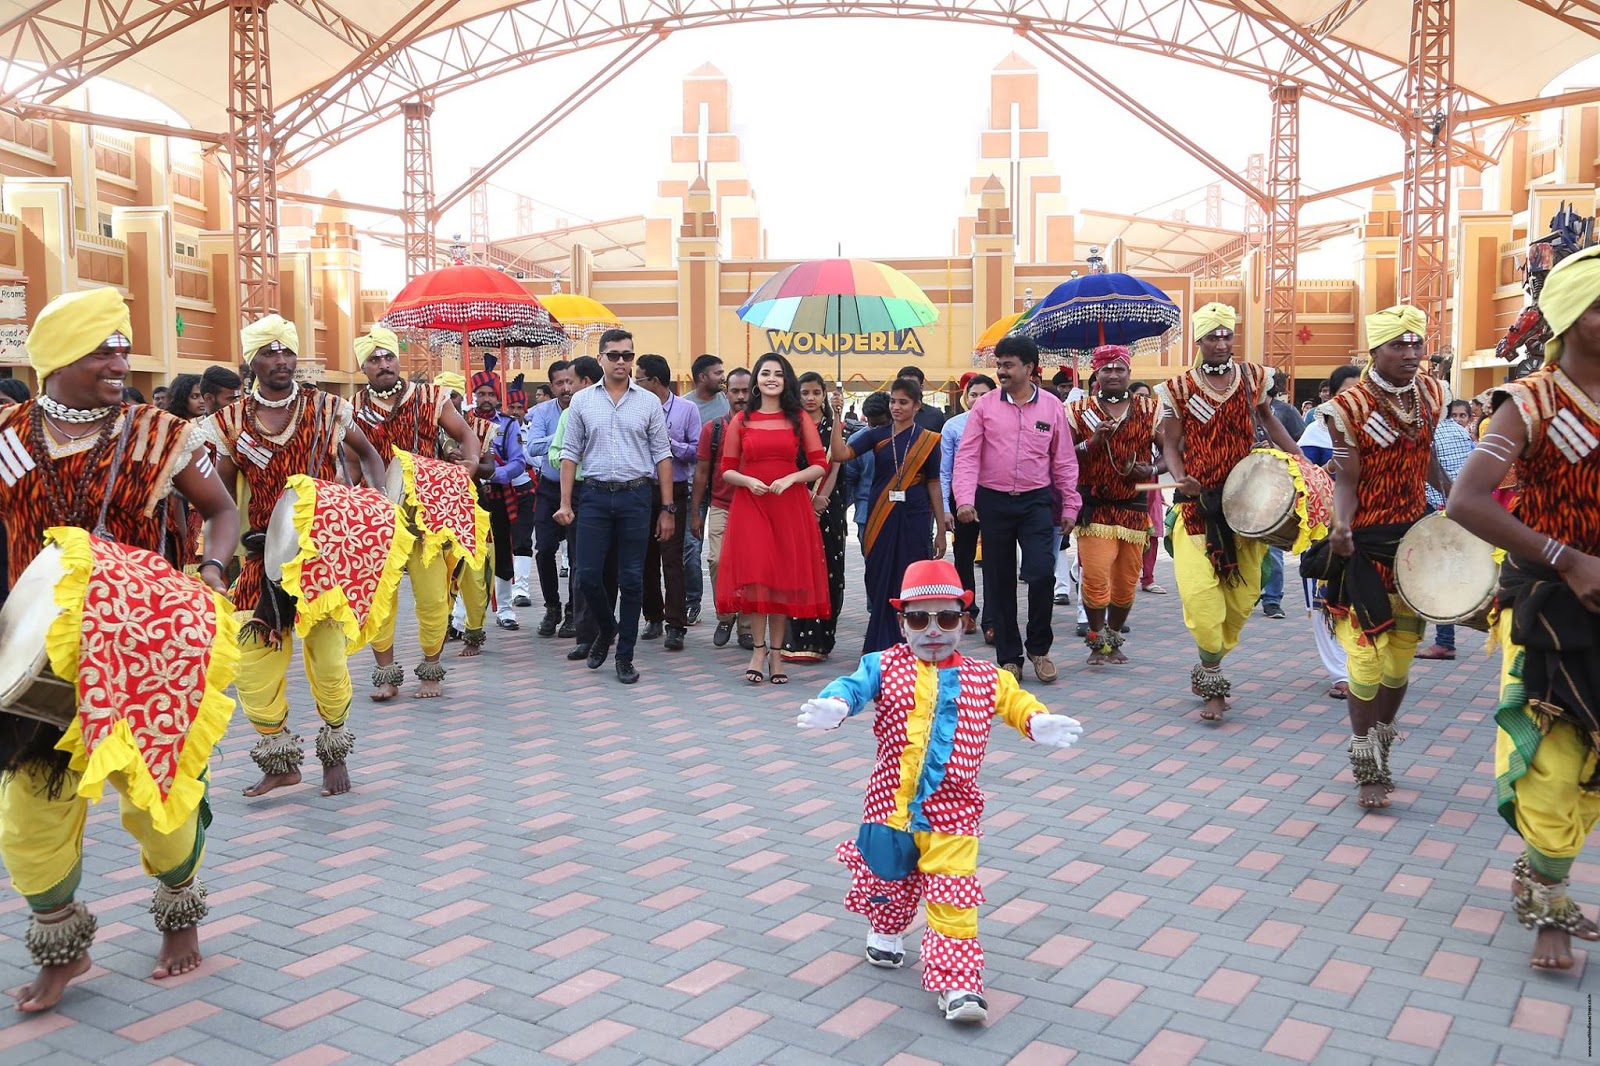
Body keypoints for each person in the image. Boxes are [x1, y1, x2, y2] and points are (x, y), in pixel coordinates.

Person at [0, 287, 240, 1011]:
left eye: (123, 346)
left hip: (139, 641)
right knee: (29, 814)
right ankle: (61, 947)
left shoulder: (158, 433)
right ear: (54, 360)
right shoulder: (10, 438)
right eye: (101, 348)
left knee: (158, 802)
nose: (119, 359)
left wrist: (211, 574)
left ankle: (177, 916)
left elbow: (222, 510)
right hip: (38, 647)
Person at [798, 559, 1083, 1024]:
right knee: (887, 884)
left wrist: (1036, 721)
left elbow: (1016, 701)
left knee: (952, 895)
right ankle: (887, 931)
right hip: (888, 809)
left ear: (963, 618)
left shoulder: (986, 677)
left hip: (953, 814)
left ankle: (959, 985)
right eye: (918, 619)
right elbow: (853, 685)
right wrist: (835, 704)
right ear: (902, 622)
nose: (933, 630)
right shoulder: (883, 664)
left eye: (946, 618)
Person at [1447, 242, 1600, 972]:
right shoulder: (1528, 403)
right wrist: (1567, 560)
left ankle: (1549, 870)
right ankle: (1551, 899)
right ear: (1570, 318)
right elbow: (1466, 500)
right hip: (1548, 604)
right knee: (1551, 762)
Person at [194, 314, 386, 799]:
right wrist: (215, 557)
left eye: (286, 352)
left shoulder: (329, 408)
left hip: (323, 555)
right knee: (252, 665)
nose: (280, 361)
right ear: (251, 360)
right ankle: (280, 759)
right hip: (262, 553)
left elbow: (370, 457)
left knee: (327, 661)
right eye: (269, 353)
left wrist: (374, 506)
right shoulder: (229, 422)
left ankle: (334, 755)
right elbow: (216, 493)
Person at [1304, 305, 1449, 810]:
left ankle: (1384, 740)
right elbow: (1347, 477)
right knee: (1366, 658)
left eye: (1417, 344)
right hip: (1363, 544)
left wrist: (1451, 493)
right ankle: (1365, 762)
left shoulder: (1432, 393)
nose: (1411, 354)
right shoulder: (1349, 406)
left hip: (1413, 545)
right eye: (1398, 346)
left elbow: (1425, 452)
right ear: (1375, 351)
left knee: (1402, 658)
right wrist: (1341, 527)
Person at [1157, 302, 1302, 721]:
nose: (1221, 343)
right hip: (1196, 509)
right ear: (1199, 342)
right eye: (1212, 337)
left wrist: (1301, 460)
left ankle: (1209, 660)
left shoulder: (1254, 377)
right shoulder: (1180, 388)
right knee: (1203, 602)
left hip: (1246, 506)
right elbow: (1170, 443)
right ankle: (1212, 677)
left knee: (1241, 602)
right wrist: (1181, 476)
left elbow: (1269, 421)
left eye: (1226, 335)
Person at [350, 326, 481, 701]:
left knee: (433, 598)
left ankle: (431, 670)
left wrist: (468, 466)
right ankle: (386, 675)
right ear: (364, 368)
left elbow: (465, 433)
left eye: (388, 357)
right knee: (379, 599)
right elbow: (350, 463)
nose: (383, 364)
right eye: (374, 360)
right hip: (376, 515)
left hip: (426, 514)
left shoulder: (430, 397)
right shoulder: (354, 409)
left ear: (398, 359)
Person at [952, 335, 1080, 683]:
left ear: (1029, 368)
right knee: (999, 580)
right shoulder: (985, 406)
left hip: (1037, 501)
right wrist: (965, 499)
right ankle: (1010, 656)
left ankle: (1038, 648)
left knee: (1041, 573)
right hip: (992, 503)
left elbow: (1065, 461)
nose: (1001, 371)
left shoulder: (1052, 407)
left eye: (1008, 365)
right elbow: (967, 457)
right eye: (999, 365)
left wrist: (1071, 503)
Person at [555, 329, 673, 685]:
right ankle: (608, 630)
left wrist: (667, 508)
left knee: (632, 579)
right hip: (592, 496)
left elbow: (663, 456)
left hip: (636, 497)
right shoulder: (582, 401)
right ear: (601, 358)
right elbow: (569, 454)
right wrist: (564, 503)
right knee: (587, 575)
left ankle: (625, 656)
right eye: (614, 355)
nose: (622, 361)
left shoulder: (648, 402)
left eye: (627, 355)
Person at [718, 353, 830, 682]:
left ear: (786, 380)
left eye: (777, 374)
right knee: (756, 579)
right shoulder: (743, 419)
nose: (771, 378)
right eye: (765, 373)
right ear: (756, 380)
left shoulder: (798, 417)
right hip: (751, 504)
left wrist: (792, 478)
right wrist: (748, 480)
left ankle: (778, 656)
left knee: (781, 583)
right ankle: (757, 650)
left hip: (788, 505)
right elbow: (726, 470)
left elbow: (819, 464)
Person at [832, 376, 948, 656]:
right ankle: (879, 642)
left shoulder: (929, 440)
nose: (896, 407)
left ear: (917, 406)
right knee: (877, 574)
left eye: (903, 402)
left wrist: (942, 529)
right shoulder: (876, 434)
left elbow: (933, 482)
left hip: (916, 516)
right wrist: (837, 417)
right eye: (893, 401)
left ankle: (910, 641)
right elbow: (839, 454)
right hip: (880, 515)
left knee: (911, 577)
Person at [1064, 345, 1159, 665]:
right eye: (1107, 369)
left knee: (1125, 584)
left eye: (1120, 369)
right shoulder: (1078, 410)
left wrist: (1153, 470)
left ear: (1129, 373)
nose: (1114, 374)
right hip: (1095, 507)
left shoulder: (1149, 409)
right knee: (1094, 576)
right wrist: (1091, 443)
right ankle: (1095, 641)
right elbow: (1061, 455)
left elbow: (1173, 451)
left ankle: (1113, 639)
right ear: (1097, 374)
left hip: (1133, 508)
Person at [1297, 363, 1362, 700]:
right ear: (1331, 396)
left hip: (1366, 523)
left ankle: (1361, 665)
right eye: (1346, 392)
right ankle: (1339, 672)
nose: (1354, 399)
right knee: (1325, 601)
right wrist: (1332, 467)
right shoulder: (1316, 435)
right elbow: (1304, 479)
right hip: (1325, 527)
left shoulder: (1373, 429)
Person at [454, 356, 526, 645]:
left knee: (502, 551)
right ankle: (460, 618)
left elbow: (518, 463)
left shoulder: (508, 426)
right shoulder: (461, 423)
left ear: (498, 397)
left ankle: (506, 609)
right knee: (464, 554)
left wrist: (492, 474)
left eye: (491, 395)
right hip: (466, 496)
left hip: (497, 496)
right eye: (481, 394)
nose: (486, 399)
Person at [635, 354, 700, 651]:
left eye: (640, 379)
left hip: (674, 490)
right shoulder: (635, 408)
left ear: (655, 381)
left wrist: (666, 442)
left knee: (672, 559)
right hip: (640, 489)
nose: (635, 383)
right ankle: (653, 616)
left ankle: (676, 624)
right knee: (645, 560)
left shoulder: (687, 409)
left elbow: (696, 453)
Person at [547, 357, 610, 661]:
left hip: (617, 492)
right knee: (582, 566)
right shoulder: (570, 415)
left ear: (586, 382)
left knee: (615, 567)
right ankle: (586, 635)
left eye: (571, 381)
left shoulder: (620, 409)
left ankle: (611, 629)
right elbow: (556, 454)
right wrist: (577, 457)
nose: (567, 388)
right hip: (583, 492)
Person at [786, 372, 849, 662]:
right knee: (797, 568)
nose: (810, 398)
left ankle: (822, 639)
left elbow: (834, 462)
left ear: (825, 395)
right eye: (805, 393)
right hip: (796, 502)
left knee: (828, 569)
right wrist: (808, 500)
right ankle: (794, 638)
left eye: (816, 393)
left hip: (828, 503)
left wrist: (821, 499)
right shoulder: (791, 426)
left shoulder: (833, 425)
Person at [691, 366, 753, 650]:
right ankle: (725, 615)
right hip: (721, 505)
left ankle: (747, 627)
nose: (741, 396)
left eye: (746, 391)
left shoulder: (764, 426)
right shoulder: (713, 428)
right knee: (717, 561)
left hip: (755, 508)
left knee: (750, 567)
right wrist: (695, 513)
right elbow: (701, 472)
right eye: (735, 391)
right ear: (726, 391)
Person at [1414, 398, 1477, 662]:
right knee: (1445, 571)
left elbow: (1428, 471)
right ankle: (1444, 638)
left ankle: (1443, 641)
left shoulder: (1425, 432)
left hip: (1432, 507)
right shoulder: (1459, 431)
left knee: (1433, 574)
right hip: (1459, 508)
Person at [939, 374, 996, 637]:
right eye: (973, 395)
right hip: (962, 498)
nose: (978, 400)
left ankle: (994, 619)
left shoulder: (1002, 424)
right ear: (965, 397)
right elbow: (945, 471)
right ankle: (967, 611)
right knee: (963, 556)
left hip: (996, 497)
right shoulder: (953, 426)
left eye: (984, 394)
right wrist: (945, 508)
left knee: (997, 558)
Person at [525, 360, 578, 637]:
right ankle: (552, 607)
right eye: (560, 383)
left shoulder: (585, 407)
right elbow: (532, 447)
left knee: (577, 553)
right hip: (549, 488)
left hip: (580, 489)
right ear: (552, 386)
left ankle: (572, 612)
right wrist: (560, 436)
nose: (566, 388)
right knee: (544, 549)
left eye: (570, 381)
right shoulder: (544, 411)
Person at [684, 354, 729, 627]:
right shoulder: (686, 406)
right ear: (702, 377)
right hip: (695, 485)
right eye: (718, 373)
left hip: (726, 486)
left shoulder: (729, 403)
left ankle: (729, 609)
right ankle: (692, 603)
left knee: (722, 555)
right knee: (691, 548)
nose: (722, 378)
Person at [1129, 381, 1168, 596]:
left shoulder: (1155, 419)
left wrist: (1153, 468)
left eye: (1147, 395)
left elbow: (1167, 451)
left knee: (1152, 531)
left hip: (1151, 480)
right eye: (1139, 396)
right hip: (1128, 483)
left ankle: (1148, 578)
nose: (1144, 400)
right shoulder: (1124, 419)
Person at [503, 374, 537, 608]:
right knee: (503, 543)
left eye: (519, 408)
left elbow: (537, 458)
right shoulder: (496, 429)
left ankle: (521, 590)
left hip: (525, 489)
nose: (515, 411)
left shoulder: (531, 431)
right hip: (499, 491)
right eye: (511, 407)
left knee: (523, 541)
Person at [844, 391, 890, 555]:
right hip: (867, 515)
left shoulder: (906, 439)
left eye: (882, 425)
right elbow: (849, 479)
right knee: (873, 568)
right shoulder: (857, 441)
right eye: (872, 425)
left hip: (898, 513)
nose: (876, 431)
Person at [895, 364, 946, 432]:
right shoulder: (890, 413)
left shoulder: (935, 415)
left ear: (921, 387)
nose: (908, 387)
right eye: (904, 384)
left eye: (912, 383)